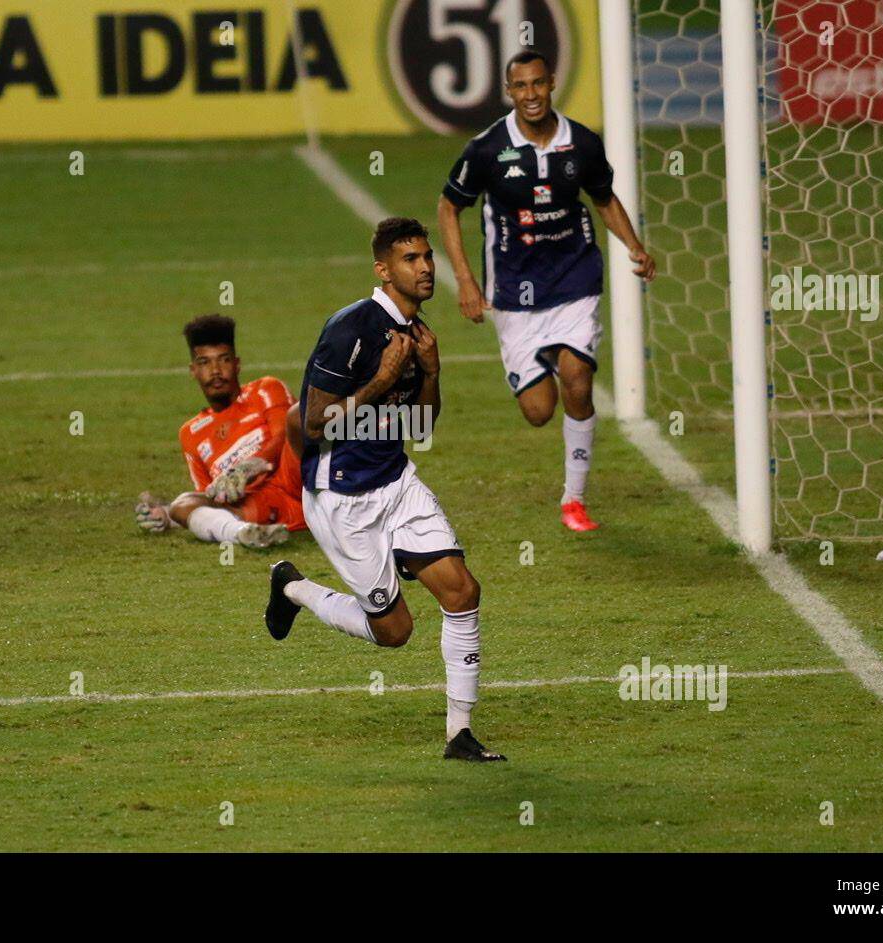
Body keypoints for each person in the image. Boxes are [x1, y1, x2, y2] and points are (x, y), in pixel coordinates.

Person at [264, 218, 504, 762]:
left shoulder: (418, 334)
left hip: (396, 481)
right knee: (395, 632)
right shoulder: (350, 329)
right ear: (383, 269)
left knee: (463, 593)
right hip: (342, 496)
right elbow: (317, 423)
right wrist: (378, 381)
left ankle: (459, 735)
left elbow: (420, 429)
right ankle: (294, 589)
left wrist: (433, 373)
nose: (424, 268)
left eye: (426, 257)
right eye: (410, 259)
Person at [437, 50, 655, 532]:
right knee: (538, 412)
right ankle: (547, 360)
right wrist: (467, 280)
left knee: (577, 377)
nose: (531, 94)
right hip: (516, 291)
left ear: (552, 83)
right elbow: (450, 206)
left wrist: (634, 246)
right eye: (521, 87)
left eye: (538, 84)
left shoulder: (582, 143)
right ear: (508, 92)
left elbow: (603, 198)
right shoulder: (488, 149)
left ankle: (574, 499)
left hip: (576, 277)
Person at [136, 315, 302, 549]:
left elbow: (284, 436)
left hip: (297, 482)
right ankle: (245, 534)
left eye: (223, 360)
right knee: (181, 505)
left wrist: (251, 465)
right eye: (204, 363)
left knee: (298, 416)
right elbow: (208, 497)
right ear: (193, 370)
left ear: (237, 364)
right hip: (257, 508)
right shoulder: (190, 433)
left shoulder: (266, 390)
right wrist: (168, 517)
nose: (215, 371)